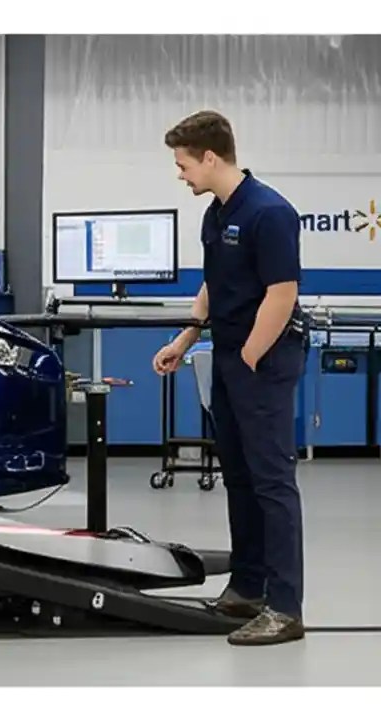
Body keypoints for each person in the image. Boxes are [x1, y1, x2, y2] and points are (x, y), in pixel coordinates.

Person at [152, 110, 308, 646]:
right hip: (228, 357)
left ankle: (285, 607)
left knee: (272, 483)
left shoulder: (270, 212)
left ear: (210, 157)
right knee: (238, 478)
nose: (181, 175)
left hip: (261, 362)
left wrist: (247, 359)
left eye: (183, 165)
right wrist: (185, 338)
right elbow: (214, 284)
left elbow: (281, 293)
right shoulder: (215, 215)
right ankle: (247, 587)